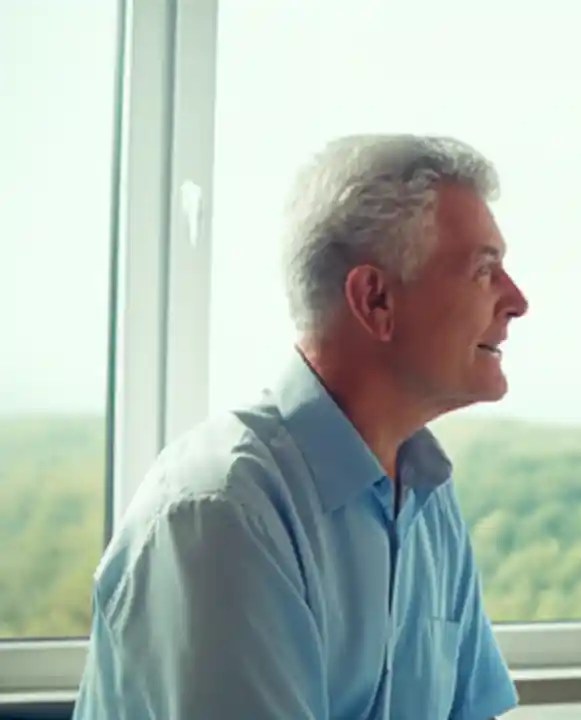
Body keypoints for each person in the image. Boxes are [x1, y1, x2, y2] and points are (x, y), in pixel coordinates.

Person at [74, 134, 529, 719]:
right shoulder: (222, 512)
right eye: (484, 269)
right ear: (376, 299)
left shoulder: (424, 491)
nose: (517, 300)